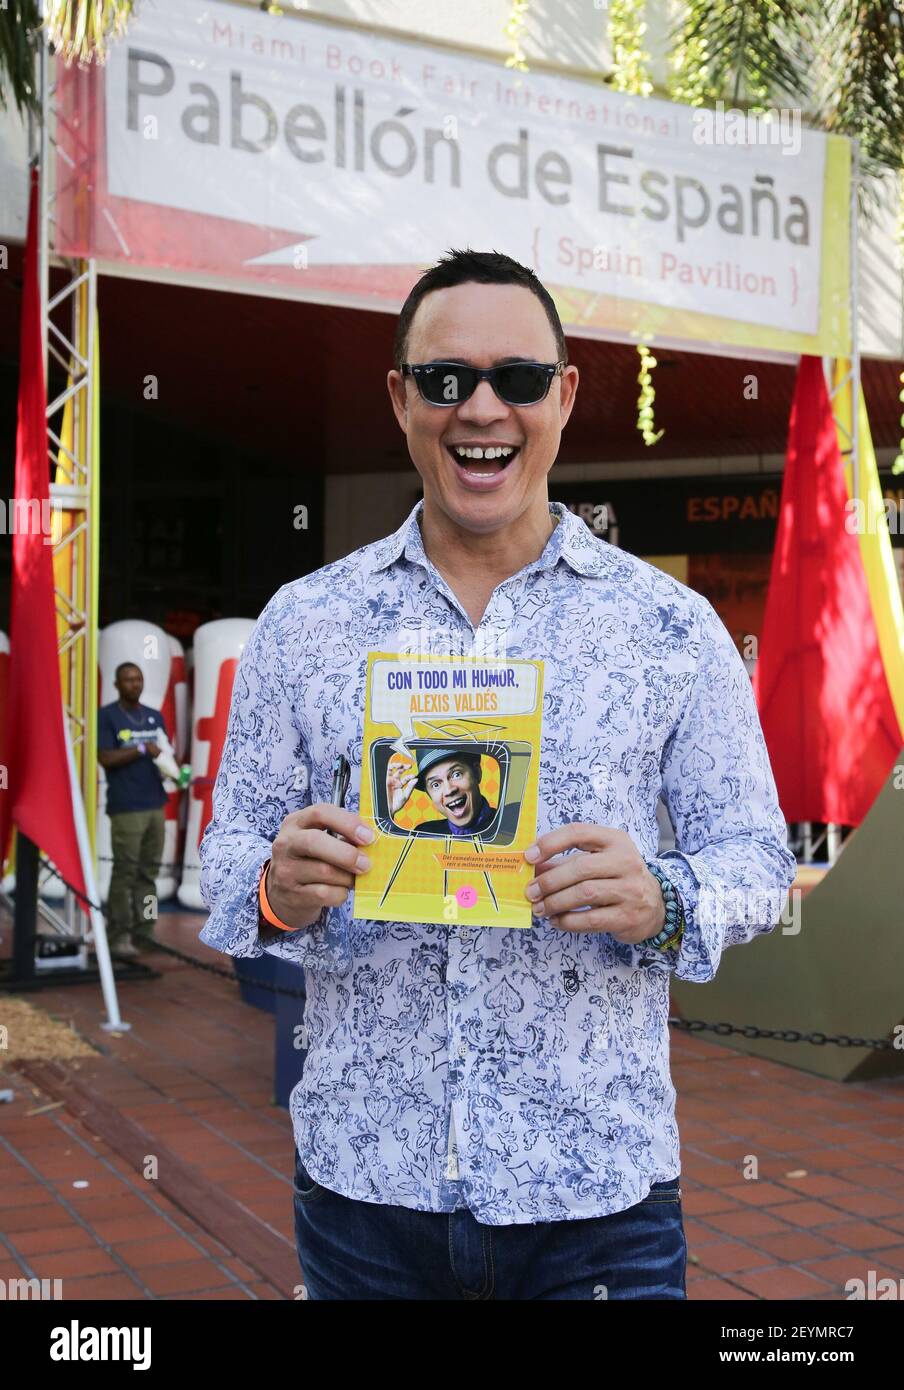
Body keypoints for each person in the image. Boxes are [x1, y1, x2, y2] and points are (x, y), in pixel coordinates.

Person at [199, 248, 796, 1301]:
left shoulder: (666, 625)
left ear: (562, 396)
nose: (483, 408)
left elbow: (754, 856)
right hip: (366, 1185)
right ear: (399, 397)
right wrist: (271, 887)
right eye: (445, 379)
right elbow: (231, 852)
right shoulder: (306, 623)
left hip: (595, 1194)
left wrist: (665, 895)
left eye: (517, 378)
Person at [97, 661, 168, 959]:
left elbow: (166, 754)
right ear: (117, 684)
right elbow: (105, 758)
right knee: (125, 873)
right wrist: (140, 749)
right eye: (127, 680)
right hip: (127, 807)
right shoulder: (108, 716)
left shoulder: (154, 716)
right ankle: (117, 934)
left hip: (155, 804)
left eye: (138, 679)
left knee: (149, 875)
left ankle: (145, 931)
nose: (134, 684)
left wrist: (175, 770)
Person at [387, 746, 496, 835]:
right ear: (429, 794)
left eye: (456, 774)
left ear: (477, 772)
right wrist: (388, 813)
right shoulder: (425, 834)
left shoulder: (509, 826)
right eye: (435, 785)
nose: (449, 790)